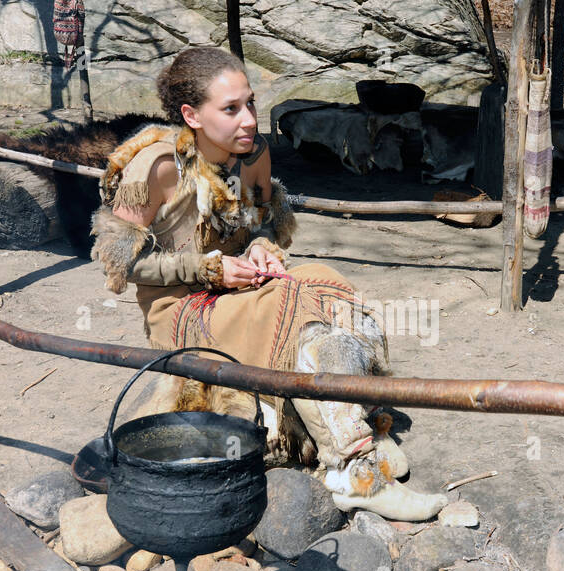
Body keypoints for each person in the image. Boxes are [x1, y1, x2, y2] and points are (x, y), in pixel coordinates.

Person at [90, 46, 447, 521]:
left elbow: (259, 223)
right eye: (231, 109)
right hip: (181, 310)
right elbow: (122, 264)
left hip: (240, 290)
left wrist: (260, 246)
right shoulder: (156, 167)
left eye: (251, 104)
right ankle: (352, 472)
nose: (248, 120)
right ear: (191, 115)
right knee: (295, 302)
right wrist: (208, 270)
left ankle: (367, 428)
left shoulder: (254, 155)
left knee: (327, 282)